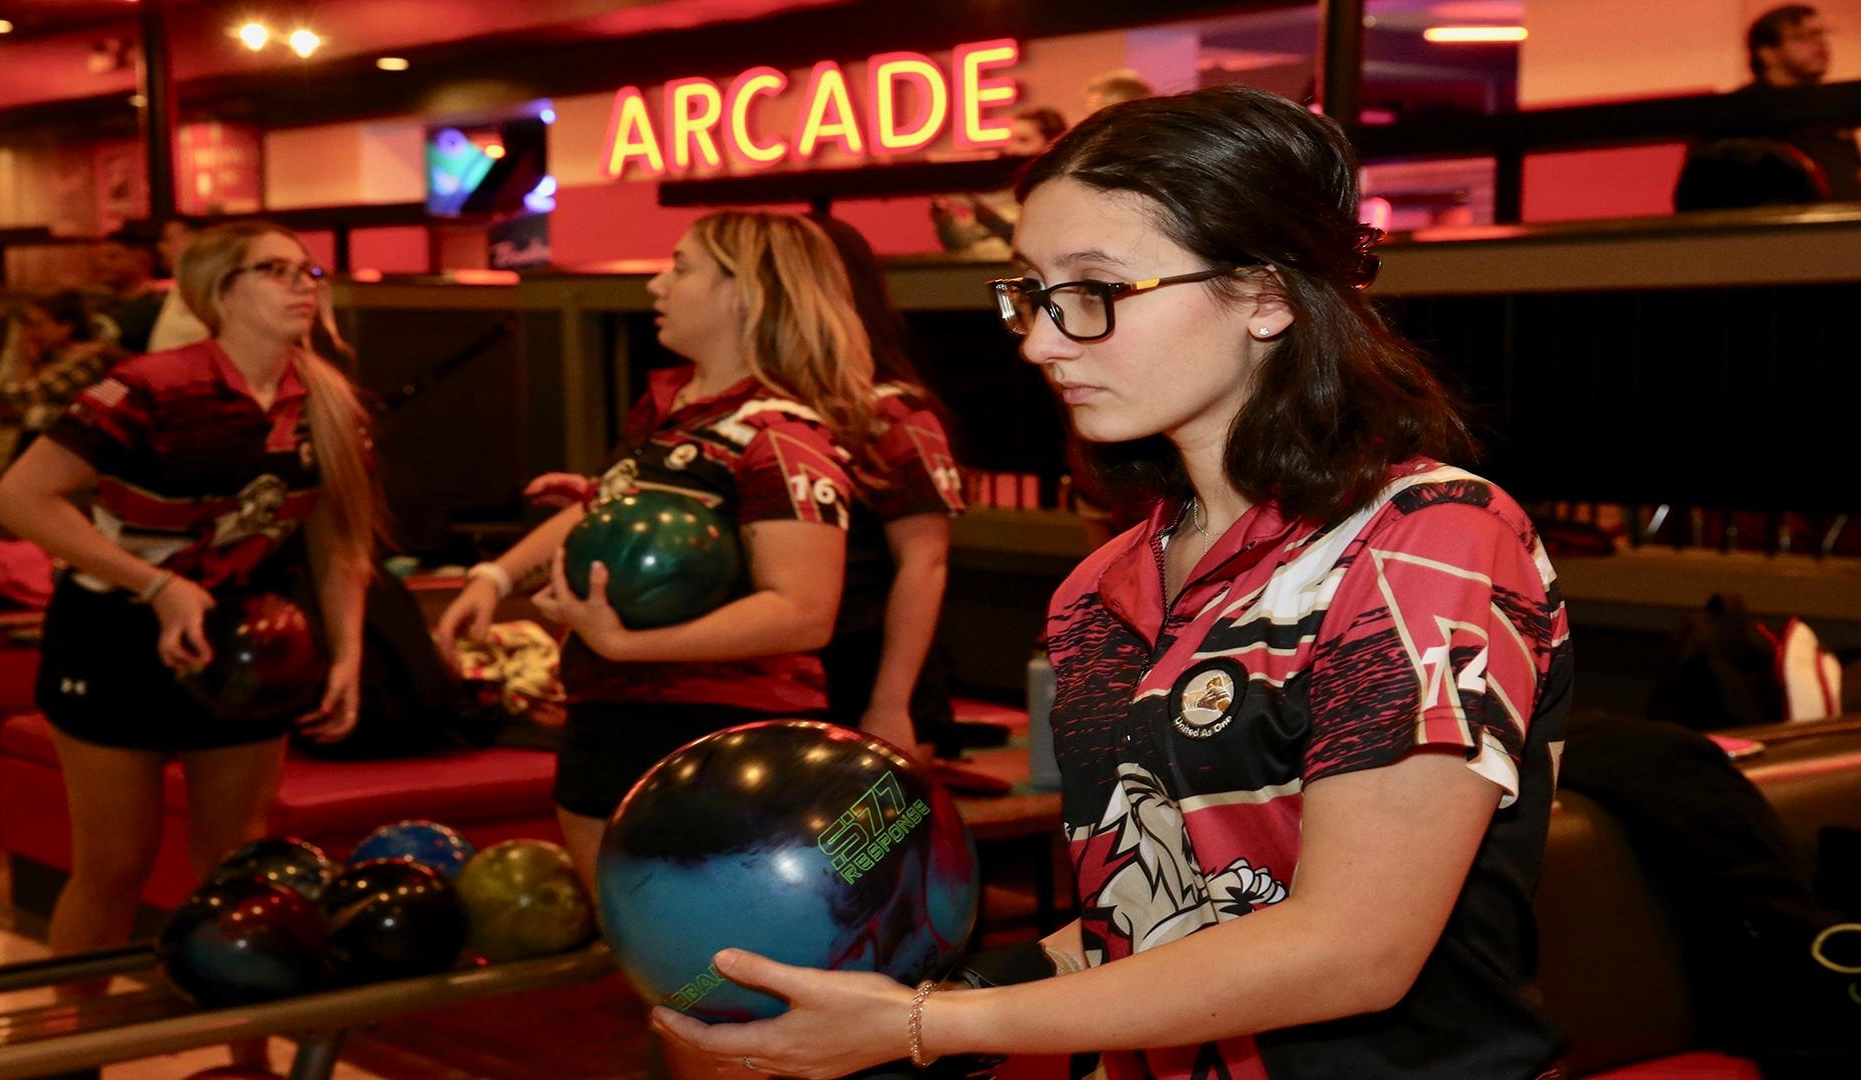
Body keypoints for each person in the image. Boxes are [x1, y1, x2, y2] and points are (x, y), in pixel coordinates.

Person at [653, 86, 1573, 1080]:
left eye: (1093, 292)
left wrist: (925, 1025)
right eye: (1033, 295)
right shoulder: (1100, 591)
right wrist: (915, 1004)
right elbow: (1154, 924)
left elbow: (1354, 951)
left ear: (1266, 294)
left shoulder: (1426, 539)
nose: (1042, 342)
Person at [0, 223, 376, 1042]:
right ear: (219, 291)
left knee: (237, 863)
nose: (303, 283)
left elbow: (340, 543)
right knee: (114, 864)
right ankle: (72, 1053)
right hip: (113, 636)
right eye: (271, 270)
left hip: (249, 647)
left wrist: (348, 653)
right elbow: (20, 498)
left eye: (305, 268)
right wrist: (156, 585)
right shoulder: (148, 387)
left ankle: (246, 1055)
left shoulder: (331, 402)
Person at [433, 210, 876, 890]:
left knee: (712, 966)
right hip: (610, 711)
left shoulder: (781, 437)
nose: (655, 285)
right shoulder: (673, 406)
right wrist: (494, 576)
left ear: (742, 291)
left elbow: (803, 611)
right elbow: (604, 508)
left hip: (714, 734)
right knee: (646, 963)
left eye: (681, 266)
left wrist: (623, 644)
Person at [807, 214, 966, 759]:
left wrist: (890, 701)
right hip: (800, 677)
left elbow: (925, 563)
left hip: (872, 676)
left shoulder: (891, 409)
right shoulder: (773, 404)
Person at [0, 291, 124, 469]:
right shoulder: (50, 356)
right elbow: (14, 413)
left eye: (39, 325)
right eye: (28, 325)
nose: (31, 332)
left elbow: (33, 392)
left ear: (66, 326)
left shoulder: (85, 360)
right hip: (43, 446)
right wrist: (29, 363)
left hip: (68, 453)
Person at [1737, 4, 1861, 201]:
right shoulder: (1740, 112)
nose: (1819, 44)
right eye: (1802, 37)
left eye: (1821, 34)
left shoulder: (1831, 106)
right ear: (1767, 53)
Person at [932, 106, 1070, 259]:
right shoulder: (1002, 193)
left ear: (1051, 145)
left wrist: (983, 211)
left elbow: (1028, 243)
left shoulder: (1058, 195)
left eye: (1023, 141)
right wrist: (943, 219)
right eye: (1010, 141)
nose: (1011, 150)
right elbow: (959, 244)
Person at [94, 226, 166, 353]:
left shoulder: (158, 307)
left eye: (112, 257)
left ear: (142, 260)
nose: (101, 264)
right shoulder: (98, 303)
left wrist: (106, 352)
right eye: (100, 257)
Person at [148, 218, 213, 353]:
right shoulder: (181, 285)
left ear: (196, 239)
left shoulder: (210, 288)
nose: (160, 247)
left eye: (168, 239)